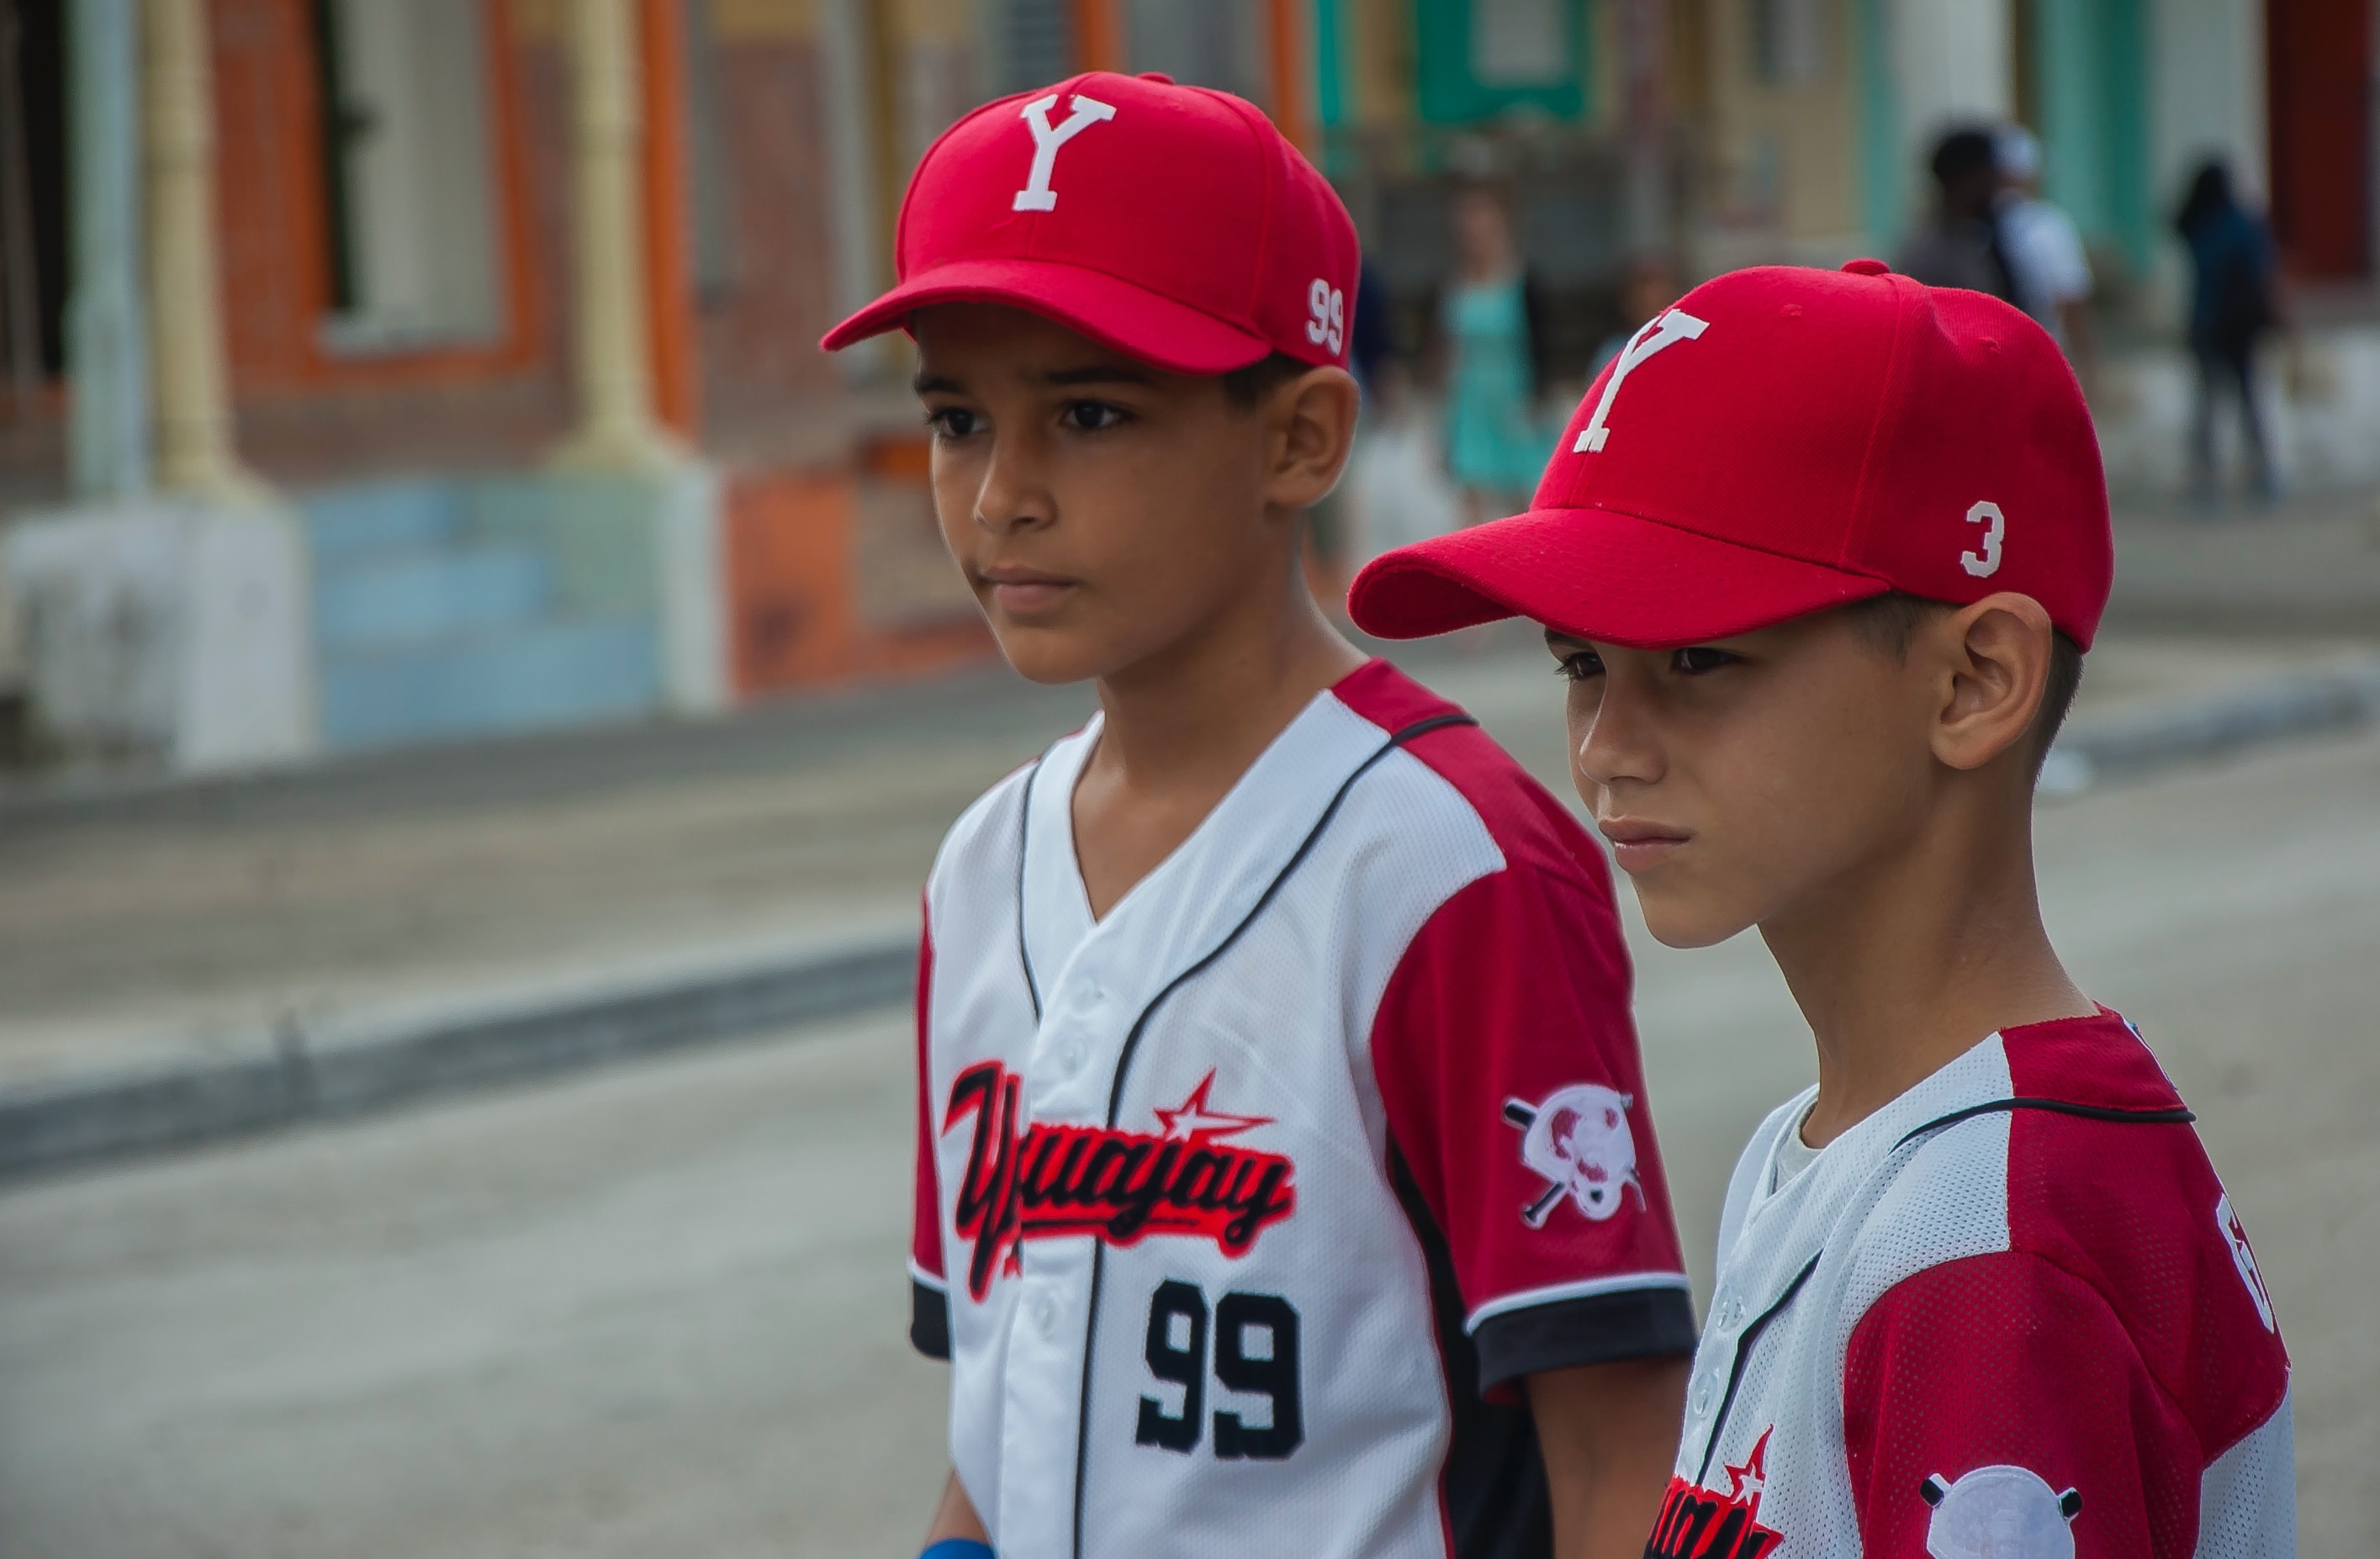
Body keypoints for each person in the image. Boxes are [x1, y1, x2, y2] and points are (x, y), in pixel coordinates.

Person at [821, 71, 1699, 1559]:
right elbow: (1005, 1424)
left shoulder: (1443, 863)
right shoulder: (981, 868)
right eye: (959, 417)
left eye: (1089, 413)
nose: (1000, 496)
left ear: (1300, 438)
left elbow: (1618, 1449)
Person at [1349, 258, 2295, 1556]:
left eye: (1695, 661)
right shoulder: (1831, 1147)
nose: (1606, 746)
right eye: (1580, 664)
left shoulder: (1986, 1240)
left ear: (1972, 680)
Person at [1436, 185, 1559, 527]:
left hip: (1513, 397)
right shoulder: (1456, 285)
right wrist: (1442, 417)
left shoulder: (1523, 281)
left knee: (1521, 495)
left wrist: (1538, 400)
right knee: (1471, 495)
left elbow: (1541, 345)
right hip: (1470, 399)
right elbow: (1449, 350)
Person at [2174, 158, 2283, 501]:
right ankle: (2262, 474)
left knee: (2206, 405)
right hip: (2241, 325)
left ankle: (2204, 480)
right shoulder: (2243, 224)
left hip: (2205, 321)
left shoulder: (2196, 224)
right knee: (2249, 400)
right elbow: (2263, 275)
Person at [1994, 125, 2097, 388]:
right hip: (2040, 360)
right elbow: (2071, 300)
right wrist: (2089, 369)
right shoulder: (2048, 226)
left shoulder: (1965, 229)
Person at [1897, 126, 2018, 303]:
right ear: (1965, 179)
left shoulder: (1982, 235)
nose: (1995, 186)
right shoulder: (1932, 254)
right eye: (1988, 174)